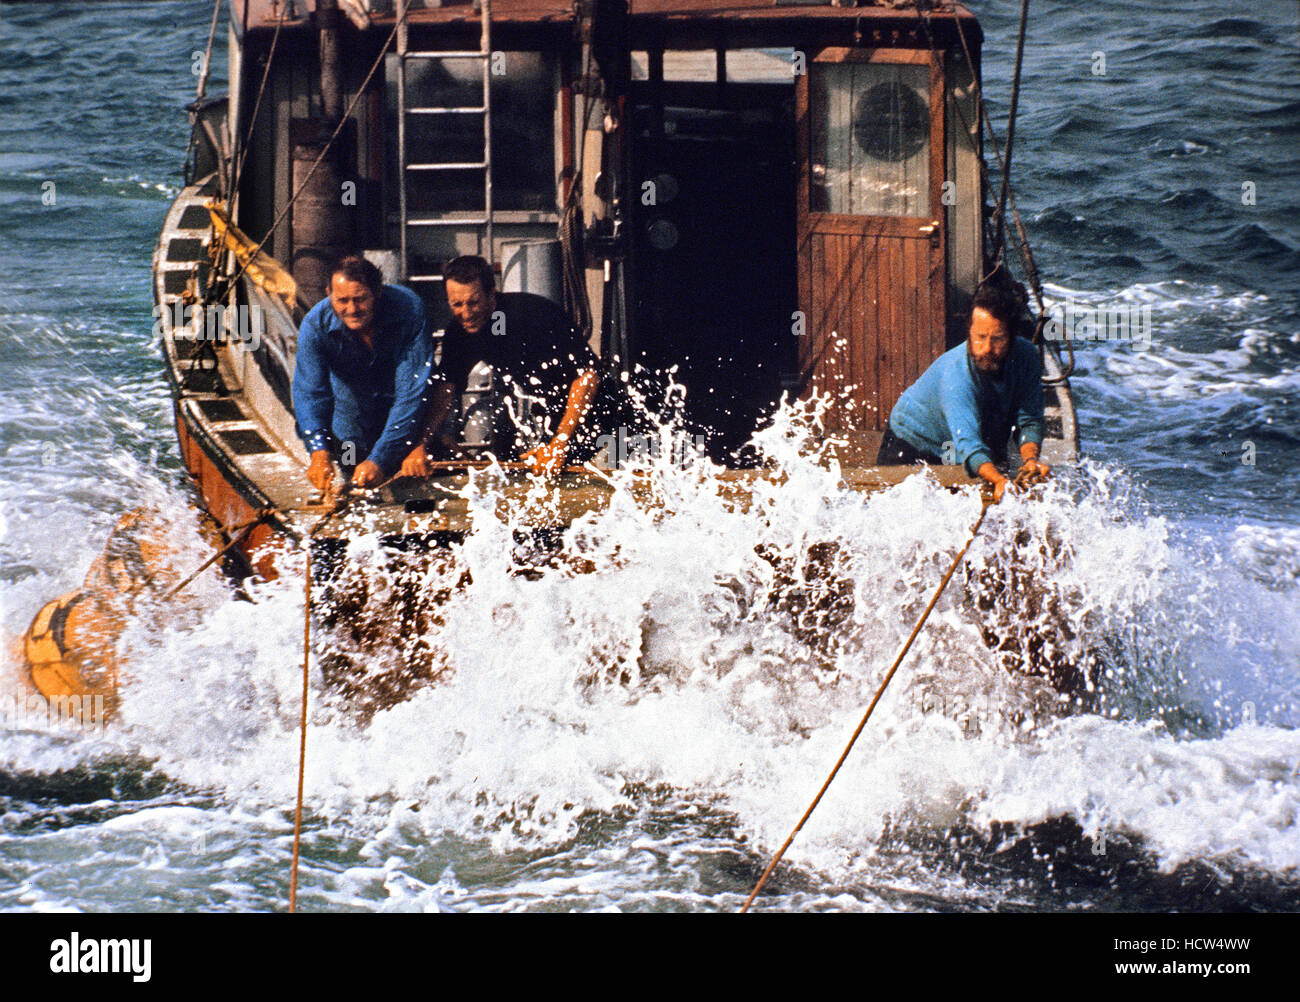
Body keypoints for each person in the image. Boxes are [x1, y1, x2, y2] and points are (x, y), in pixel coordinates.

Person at [415, 255, 600, 477]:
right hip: (551, 416)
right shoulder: (460, 332)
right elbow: (446, 389)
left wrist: (560, 441)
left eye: (474, 302)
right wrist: (422, 444)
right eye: (457, 304)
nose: (466, 313)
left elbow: (588, 377)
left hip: (599, 413)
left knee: (616, 480)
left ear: (491, 294)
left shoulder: (534, 313)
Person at [877, 282, 1051, 501]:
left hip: (953, 442)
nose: (987, 348)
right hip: (914, 441)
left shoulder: (1026, 357)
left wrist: (1030, 461)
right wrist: (999, 481)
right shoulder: (957, 377)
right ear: (969, 332)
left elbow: (1030, 420)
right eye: (980, 337)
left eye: (997, 339)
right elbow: (968, 444)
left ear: (1012, 337)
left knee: (973, 492)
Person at [292, 253, 435, 491]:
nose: (352, 309)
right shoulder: (314, 326)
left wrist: (379, 459)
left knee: (413, 486)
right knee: (354, 477)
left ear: (377, 292)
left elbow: (410, 393)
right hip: (350, 429)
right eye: (342, 300)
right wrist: (318, 451)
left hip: (407, 423)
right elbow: (310, 394)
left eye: (360, 299)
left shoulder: (408, 309)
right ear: (329, 293)